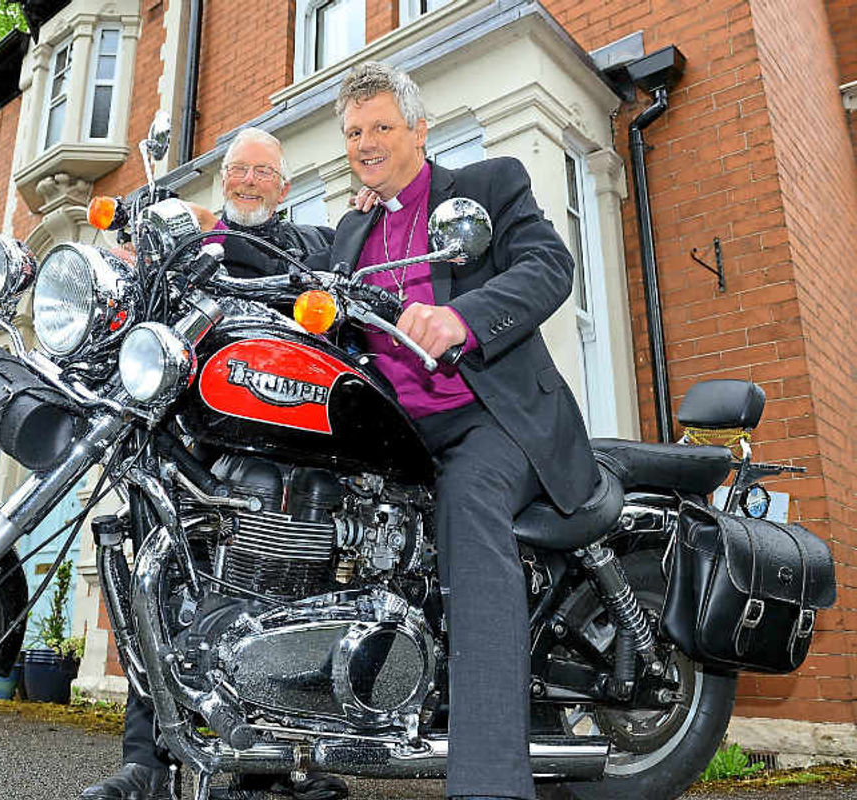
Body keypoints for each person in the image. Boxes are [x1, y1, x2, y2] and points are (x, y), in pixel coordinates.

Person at [329, 62, 598, 800]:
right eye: (354, 132)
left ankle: (491, 787)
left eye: (381, 126)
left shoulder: (486, 185)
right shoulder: (352, 227)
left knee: (469, 506)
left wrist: (464, 318)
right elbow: (296, 276)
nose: (366, 142)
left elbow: (549, 265)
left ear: (419, 128)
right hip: (399, 435)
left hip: (490, 420)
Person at [81, 128, 346, 800]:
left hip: (279, 455)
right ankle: (147, 762)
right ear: (223, 180)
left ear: (283, 186)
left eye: (263, 171)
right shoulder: (188, 250)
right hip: (184, 443)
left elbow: (344, 312)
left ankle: (279, 769)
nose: (249, 180)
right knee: (157, 596)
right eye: (238, 169)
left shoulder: (309, 246)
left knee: (280, 598)